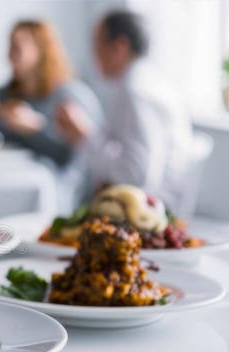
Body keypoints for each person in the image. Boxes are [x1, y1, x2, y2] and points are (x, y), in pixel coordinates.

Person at [56, 10, 194, 212]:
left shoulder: (134, 90)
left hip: (150, 209)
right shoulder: (150, 80)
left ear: (119, 46)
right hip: (154, 201)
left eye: (97, 45)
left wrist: (83, 136)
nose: (94, 56)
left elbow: (137, 174)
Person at [0, 20, 102, 210]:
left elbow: (82, 158)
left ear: (42, 49)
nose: (9, 55)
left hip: (61, 190)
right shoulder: (5, 94)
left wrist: (36, 130)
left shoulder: (70, 95)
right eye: (9, 47)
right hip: (14, 182)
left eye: (17, 47)